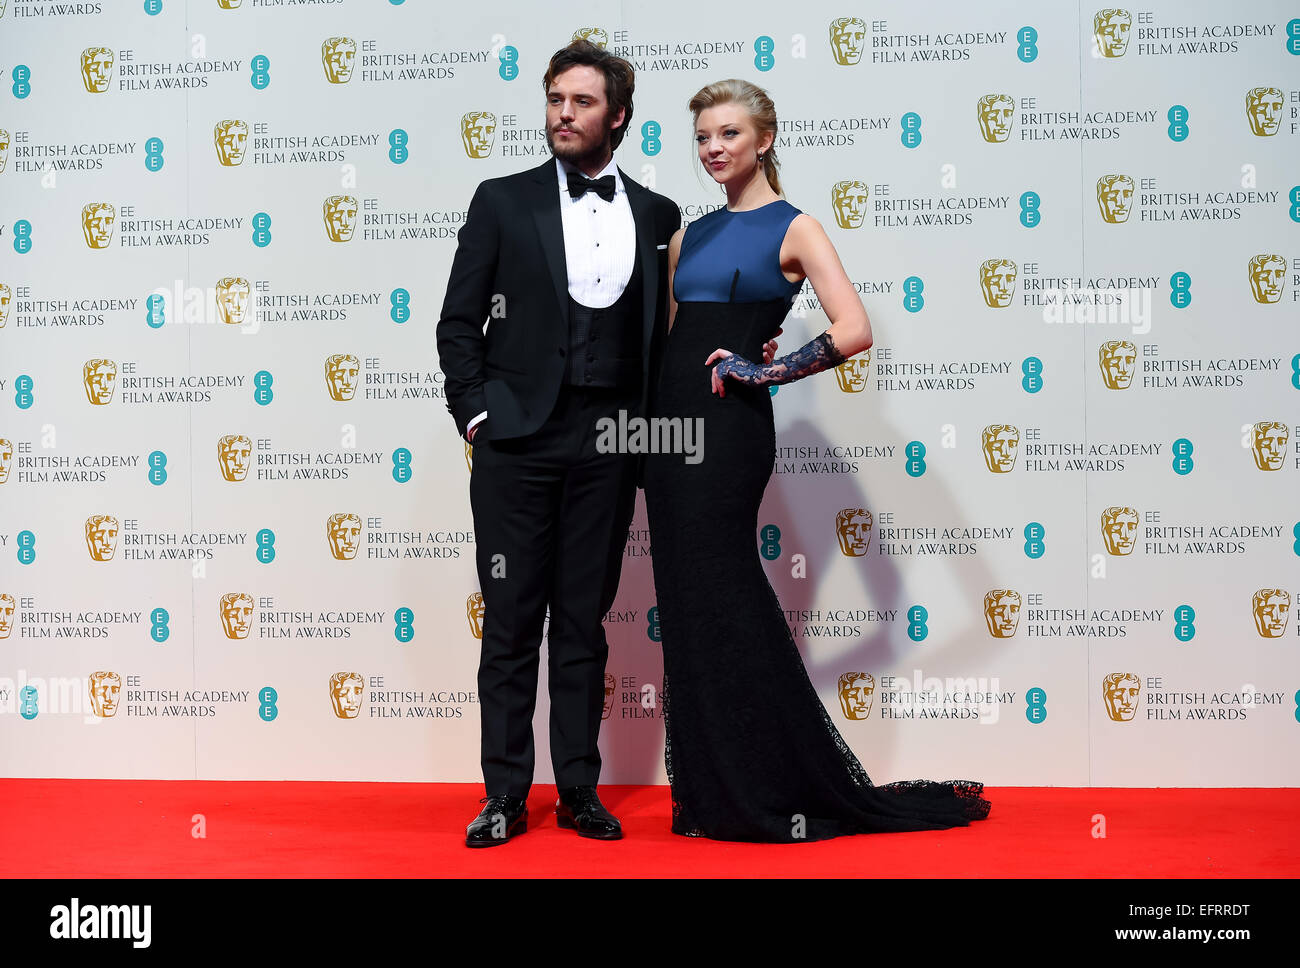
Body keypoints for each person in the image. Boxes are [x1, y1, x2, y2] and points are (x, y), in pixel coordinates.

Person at [436, 43, 778, 847]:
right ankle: (504, 796)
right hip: (515, 446)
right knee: (513, 621)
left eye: (582, 102)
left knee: (585, 625)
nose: (563, 113)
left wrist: (760, 350)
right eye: (556, 98)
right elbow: (458, 322)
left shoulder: (663, 218)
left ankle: (580, 791)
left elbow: (683, 329)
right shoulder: (500, 200)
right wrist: (477, 416)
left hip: (612, 446)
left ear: (617, 116)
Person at [643, 79, 992, 842]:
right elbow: (672, 340)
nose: (713, 149)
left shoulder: (795, 227)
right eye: (703, 137)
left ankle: (774, 783)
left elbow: (855, 327)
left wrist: (763, 370)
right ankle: (711, 791)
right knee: (689, 601)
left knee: (727, 592)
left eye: (728, 134)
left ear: (763, 139)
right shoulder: (687, 237)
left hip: (730, 431)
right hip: (668, 433)